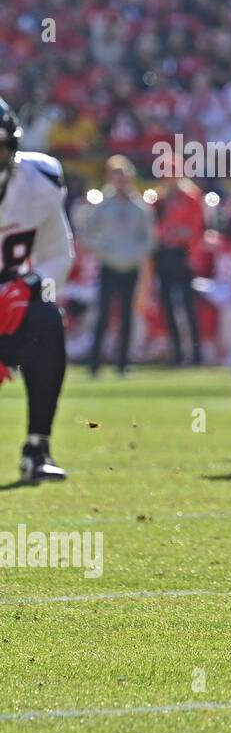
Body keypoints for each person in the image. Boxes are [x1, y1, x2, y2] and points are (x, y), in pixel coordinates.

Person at [0, 95, 74, 482]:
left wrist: (30, 287)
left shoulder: (38, 180)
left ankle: (37, 446)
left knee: (46, 319)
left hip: (7, 297)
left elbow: (58, 254)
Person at [81, 155, 155, 376]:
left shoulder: (140, 207)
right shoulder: (102, 205)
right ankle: (95, 363)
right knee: (103, 314)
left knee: (126, 316)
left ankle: (123, 363)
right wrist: (103, 249)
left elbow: (149, 238)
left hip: (130, 266)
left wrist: (135, 255)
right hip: (109, 264)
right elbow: (87, 233)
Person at [152, 172, 205, 366]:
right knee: (167, 306)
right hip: (165, 255)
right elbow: (154, 227)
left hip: (183, 255)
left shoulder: (191, 197)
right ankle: (177, 353)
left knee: (188, 306)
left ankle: (196, 354)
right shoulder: (159, 198)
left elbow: (196, 229)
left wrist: (179, 235)